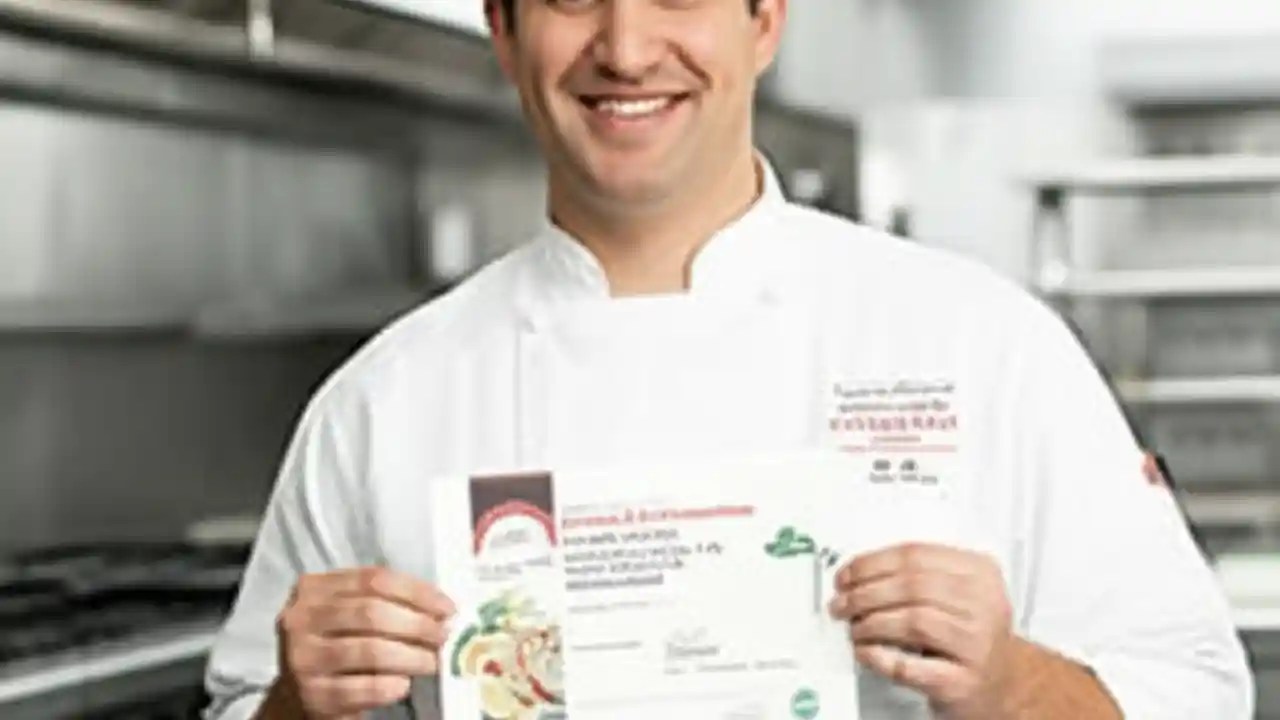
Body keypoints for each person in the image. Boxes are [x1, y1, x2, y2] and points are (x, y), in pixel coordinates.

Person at [203, 0, 1255, 718]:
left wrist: (1006, 682)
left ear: (764, 18)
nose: (623, 48)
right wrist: (301, 702)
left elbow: (1197, 696)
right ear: (501, 25)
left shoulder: (984, 344)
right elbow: (250, 709)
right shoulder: (382, 405)